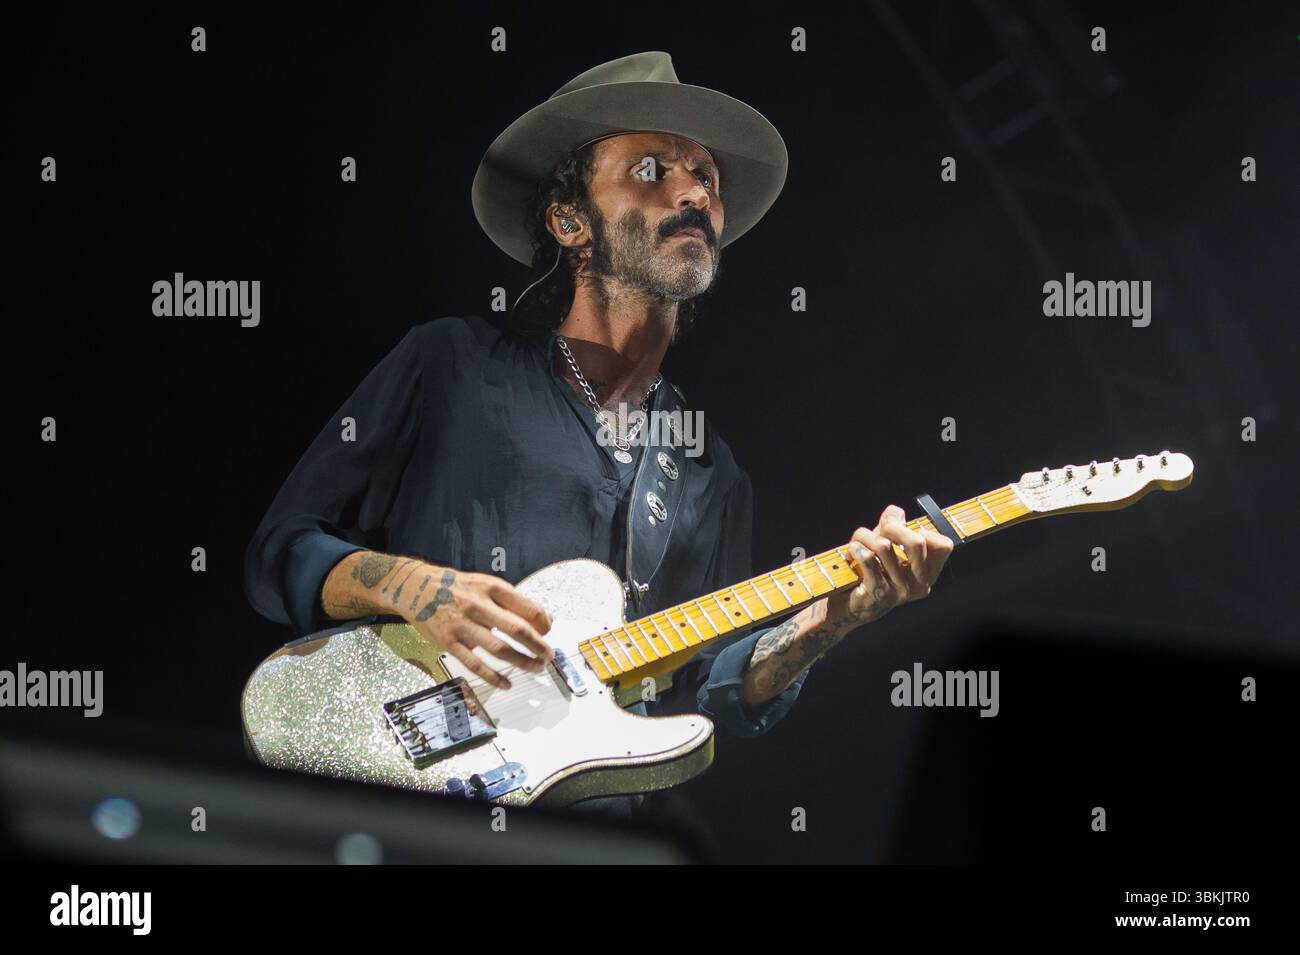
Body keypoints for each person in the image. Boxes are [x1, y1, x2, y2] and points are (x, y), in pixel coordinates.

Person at [243, 51, 954, 821]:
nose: (694, 193)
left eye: (706, 179)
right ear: (570, 220)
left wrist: (831, 619)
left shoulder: (709, 472)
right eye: (651, 170)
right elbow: (280, 551)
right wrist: (425, 591)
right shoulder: (450, 364)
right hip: (402, 804)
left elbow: (708, 696)